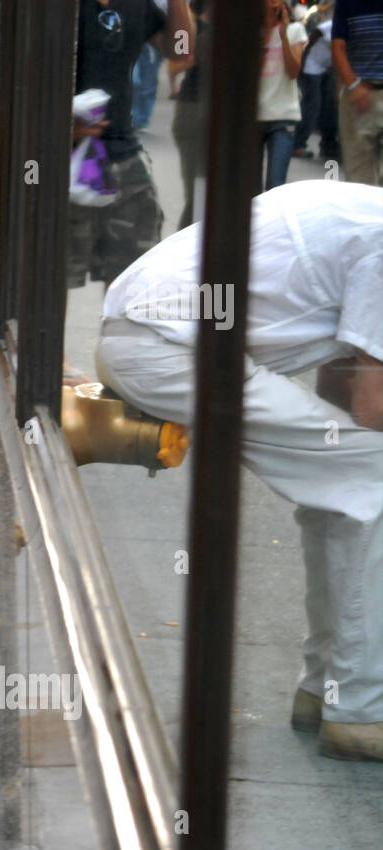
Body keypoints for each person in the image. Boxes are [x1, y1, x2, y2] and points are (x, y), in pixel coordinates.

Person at [94, 180, 383, 762]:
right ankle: (359, 707)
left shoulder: (360, 213)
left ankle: (326, 691)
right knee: (374, 476)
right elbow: (374, 406)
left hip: (152, 340)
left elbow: (344, 395)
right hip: (170, 350)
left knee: (344, 481)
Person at [68, 0, 194, 290]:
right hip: (53, 153)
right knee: (46, 283)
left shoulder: (137, 5)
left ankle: (118, 334)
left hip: (121, 152)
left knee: (133, 276)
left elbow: (181, 48)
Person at [256, 0, 307, 190]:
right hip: (256, 115)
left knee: (276, 186)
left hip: (284, 115)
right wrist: (267, 33)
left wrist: (283, 34)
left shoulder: (295, 30)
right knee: (251, 190)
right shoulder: (252, 31)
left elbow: (293, 71)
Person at [333, 0, 383, 184]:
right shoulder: (347, 3)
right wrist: (353, 86)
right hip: (359, 95)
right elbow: (337, 47)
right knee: (360, 182)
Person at [170, 0, 209, 231]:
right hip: (192, 112)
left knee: (212, 190)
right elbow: (174, 67)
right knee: (197, 191)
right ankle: (183, 246)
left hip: (219, 115)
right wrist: (193, 54)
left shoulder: (236, 29)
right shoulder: (191, 27)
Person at [293, 1, 341, 162]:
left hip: (326, 69)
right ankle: (297, 144)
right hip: (310, 68)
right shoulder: (331, 25)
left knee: (329, 107)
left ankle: (328, 145)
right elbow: (313, 37)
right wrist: (302, 63)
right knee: (313, 106)